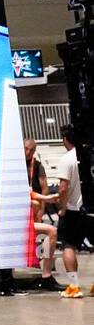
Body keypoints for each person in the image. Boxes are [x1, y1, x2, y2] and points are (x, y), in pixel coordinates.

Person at [55, 124, 94, 298]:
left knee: (68, 246)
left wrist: (62, 209)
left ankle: (74, 286)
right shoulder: (89, 156)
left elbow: (63, 188)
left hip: (73, 210)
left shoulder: (67, 159)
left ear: (65, 139)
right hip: (91, 209)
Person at [24, 138, 61, 291]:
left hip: (34, 208)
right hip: (23, 209)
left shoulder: (38, 166)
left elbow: (43, 187)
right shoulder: (14, 164)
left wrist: (42, 207)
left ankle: (45, 272)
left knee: (47, 233)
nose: (28, 153)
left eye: (32, 150)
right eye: (26, 149)